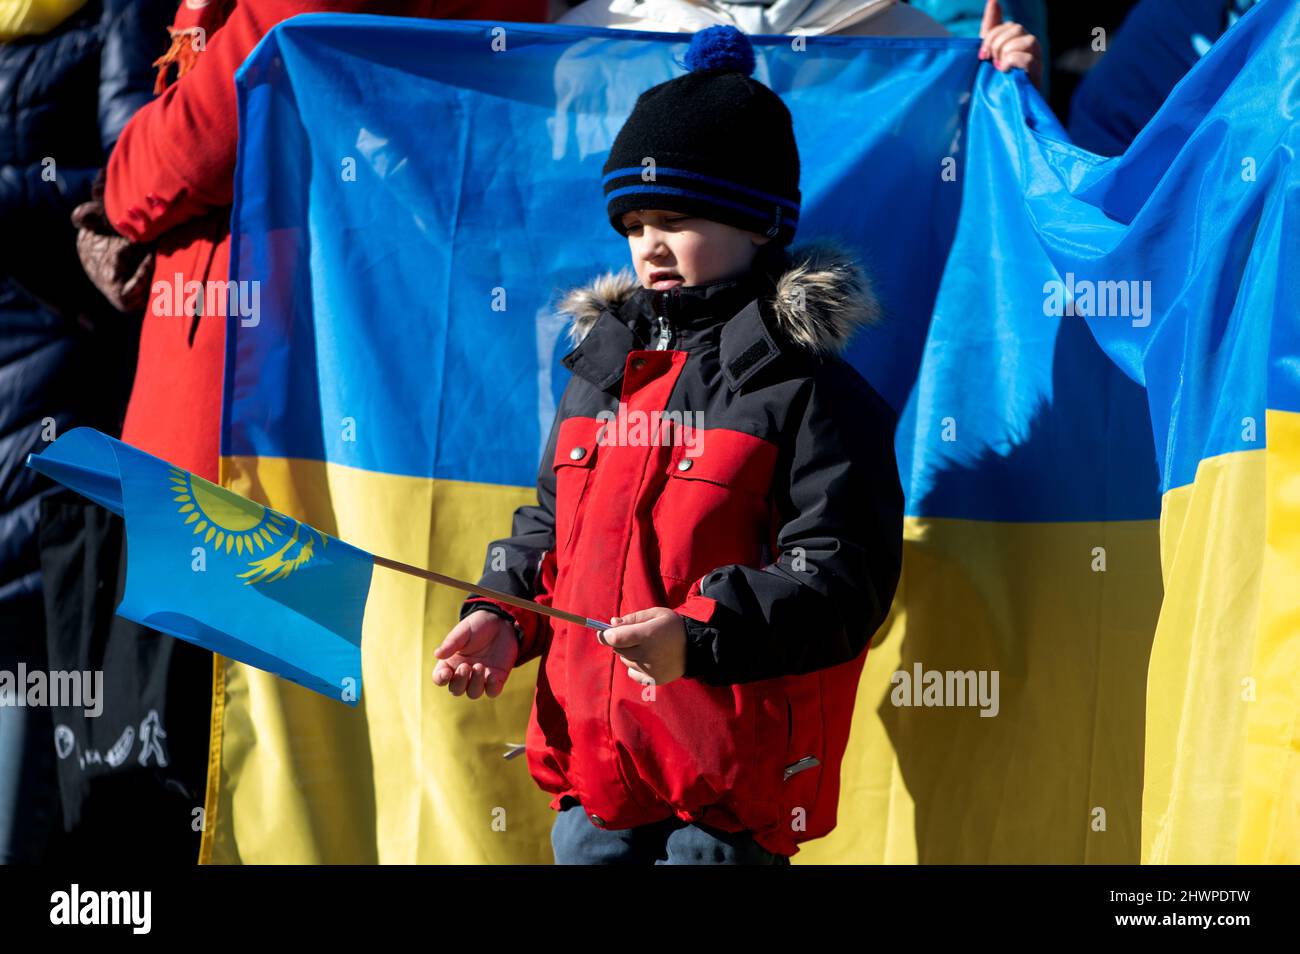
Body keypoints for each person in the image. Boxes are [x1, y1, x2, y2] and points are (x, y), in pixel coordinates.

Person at [433, 25, 904, 864]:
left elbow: (841, 578)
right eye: (635, 221)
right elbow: (549, 531)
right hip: (595, 778)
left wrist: (698, 634)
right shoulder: (598, 373)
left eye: (678, 219)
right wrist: (501, 616)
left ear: (760, 222)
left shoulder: (811, 391)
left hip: (728, 799)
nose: (650, 243)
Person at [555, 0, 1043, 90]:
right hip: (657, 353)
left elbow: (976, 199)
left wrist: (1007, 86)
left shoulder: (912, 38)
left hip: (857, 351)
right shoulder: (588, 43)